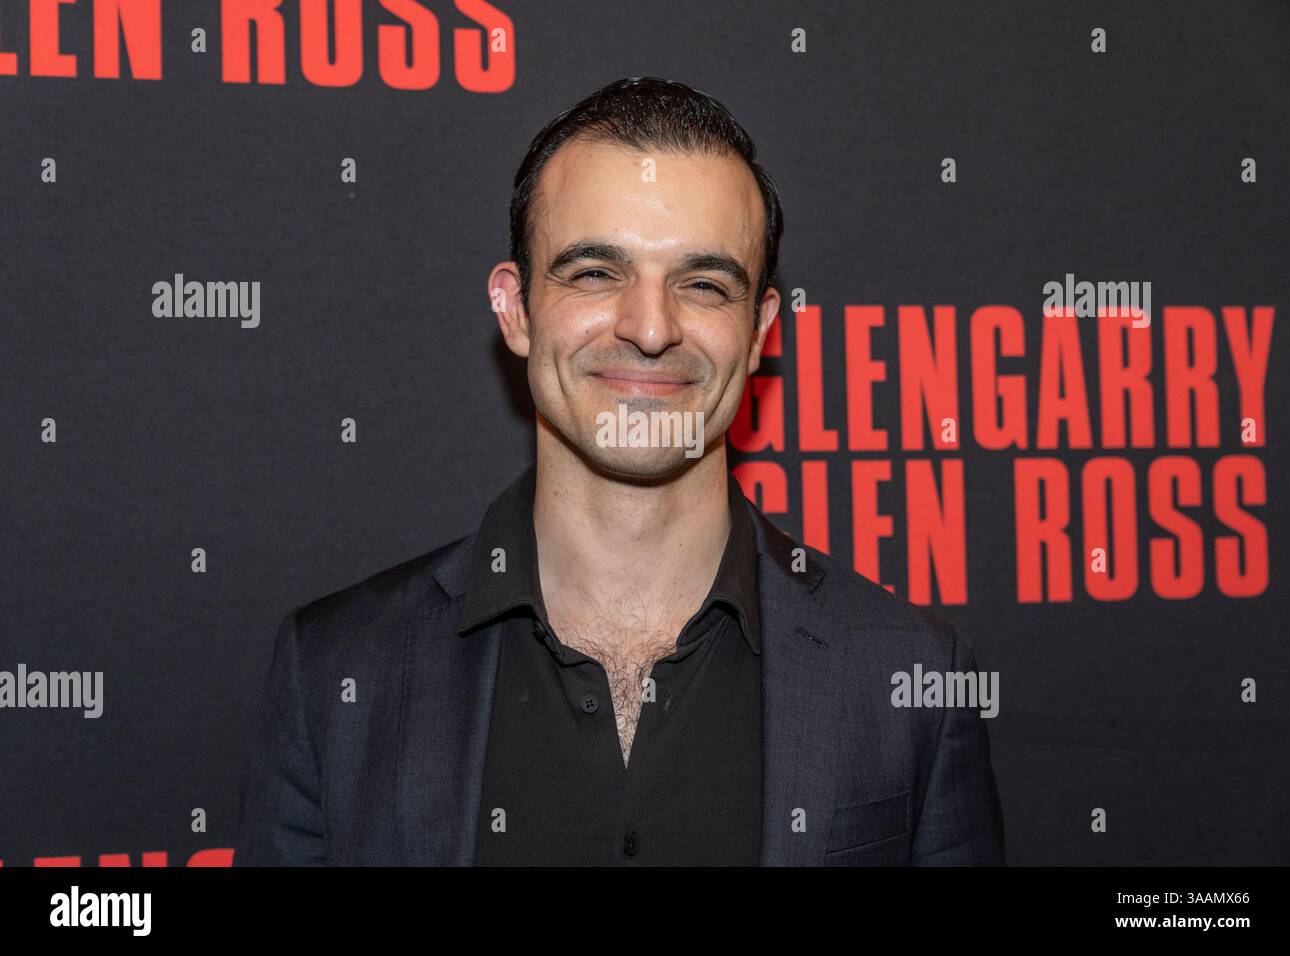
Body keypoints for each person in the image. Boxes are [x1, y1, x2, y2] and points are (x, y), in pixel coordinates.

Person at [233, 76, 1005, 866]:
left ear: (761, 328)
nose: (649, 328)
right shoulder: (337, 671)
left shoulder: (907, 677)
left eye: (703, 284)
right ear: (516, 309)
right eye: (596, 272)